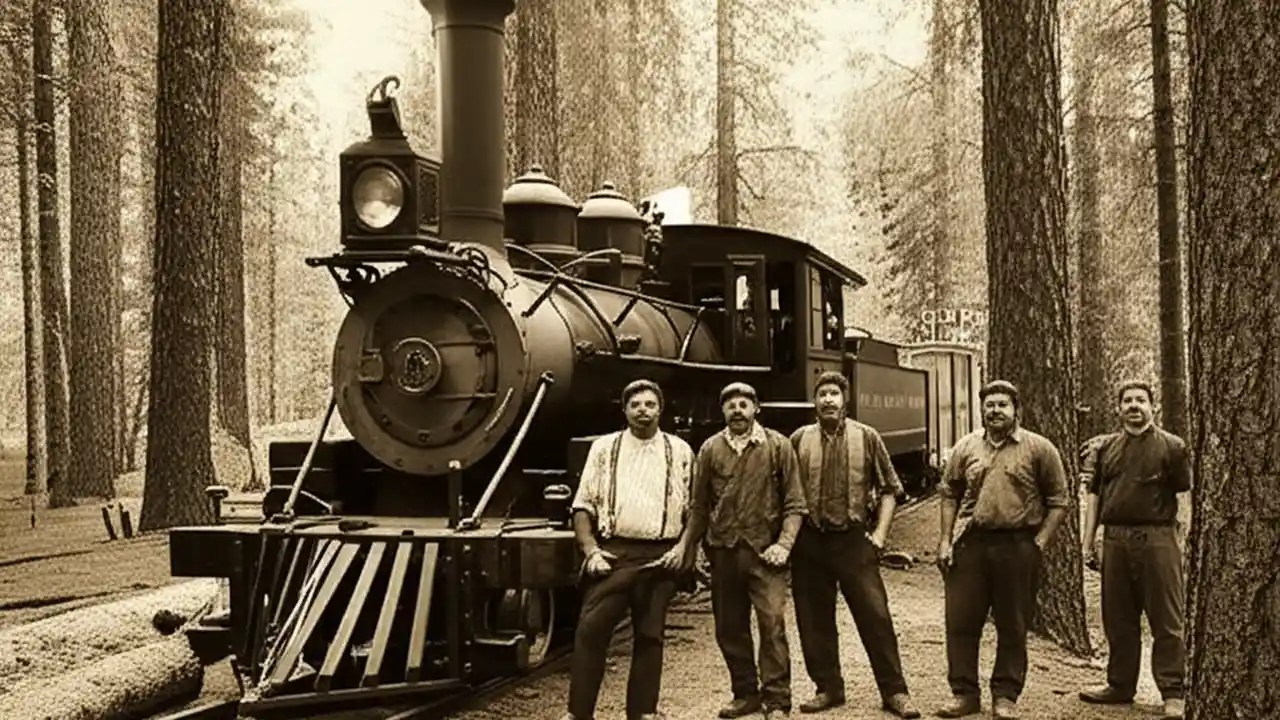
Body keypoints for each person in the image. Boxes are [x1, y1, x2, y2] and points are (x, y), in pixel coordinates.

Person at [560, 379, 697, 720]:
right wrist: (590, 550)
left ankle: (643, 713)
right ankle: (578, 714)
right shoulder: (604, 448)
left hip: (661, 556)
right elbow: (582, 505)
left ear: (660, 409)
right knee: (591, 632)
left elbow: (696, 509)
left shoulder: (680, 450)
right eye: (635, 405)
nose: (643, 411)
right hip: (614, 554)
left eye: (650, 404)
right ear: (624, 410)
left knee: (650, 636)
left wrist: (683, 549)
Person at [934, 380, 1070, 720]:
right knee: (961, 622)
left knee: (1013, 624)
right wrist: (945, 539)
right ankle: (964, 694)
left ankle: (1005, 695)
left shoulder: (1039, 449)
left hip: (1017, 546)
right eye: (990, 404)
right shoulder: (966, 447)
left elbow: (1059, 501)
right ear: (982, 409)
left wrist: (1038, 543)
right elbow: (949, 492)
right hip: (971, 544)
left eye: (1002, 405)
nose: (995, 410)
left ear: (1016, 410)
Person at [788, 372, 920, 718]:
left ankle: (895, 692)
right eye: (822, 394)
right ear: (815, 401)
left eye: (834, 393)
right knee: (814, 620)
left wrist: (879, 536)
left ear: (845, 400)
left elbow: (891, 489)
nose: (828, 400)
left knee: (875, 615)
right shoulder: (800, 439)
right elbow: (785, 494)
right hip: (811, 543)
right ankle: (828, 688)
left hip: (853, 542)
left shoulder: (867, 437)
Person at [686, 381, 807, 720]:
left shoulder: (778, 446)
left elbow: (796, 503)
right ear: (722, 411)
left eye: (744, 404)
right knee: (729, 627)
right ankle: (745, 694)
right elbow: (699, 506)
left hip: (765, 554)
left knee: (772, 625)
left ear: (757, 409)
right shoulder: (710, 449)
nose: (737, 410)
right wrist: (695, 551)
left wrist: (784, 545)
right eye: (730, 405)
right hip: (723, 552)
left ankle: (777, 701)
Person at [1077, 381, 1190, 720]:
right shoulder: (1106, 449)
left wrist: (1182, 540)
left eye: (1141, 400)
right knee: (1118, 616)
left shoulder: (1172, 447)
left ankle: (1173, 691)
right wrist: (1088, 542)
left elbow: (1184, 496)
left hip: (1158, 538)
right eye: (1127, 401)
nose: (1134, 406)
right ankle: (1120, 685)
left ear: (1151, 406)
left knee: (1167, 618)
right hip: (1115, 540)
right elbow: (1094, 498)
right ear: (1118, 408)